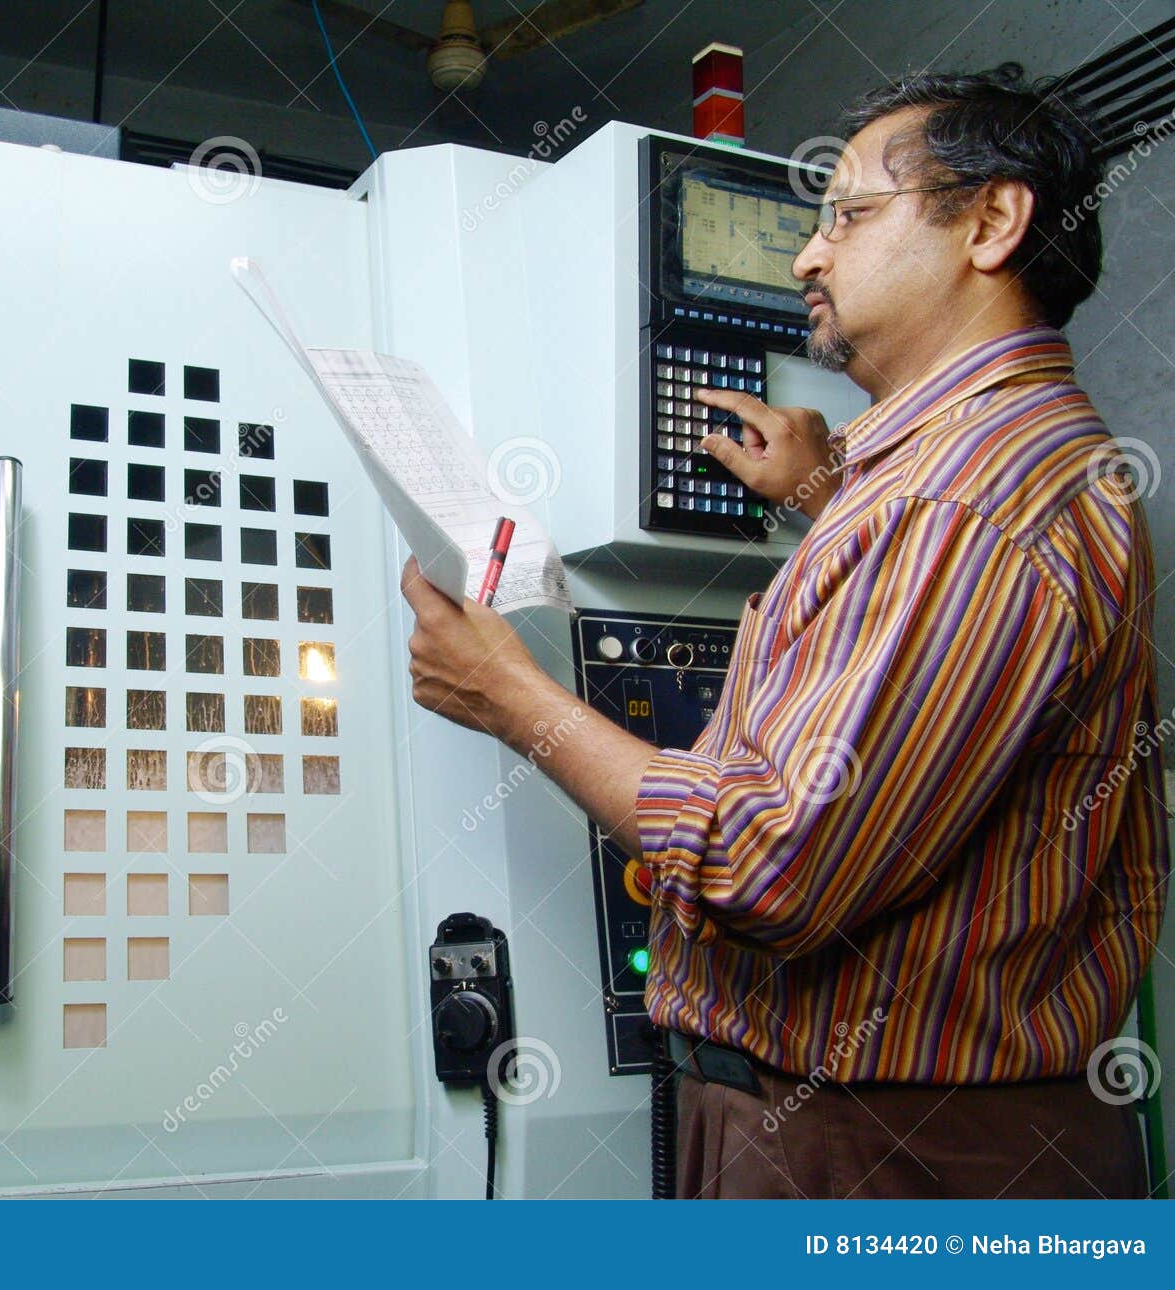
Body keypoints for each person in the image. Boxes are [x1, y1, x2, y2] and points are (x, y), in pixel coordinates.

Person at [401, 67, 1169, 1199]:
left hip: (883, 1159)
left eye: (849, 216)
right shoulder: (962, 481)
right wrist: (826, 502)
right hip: (858, 1133)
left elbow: (776, 871)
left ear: (993, 223)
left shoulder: (960, 505)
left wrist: (514, 700)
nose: (807, 258)